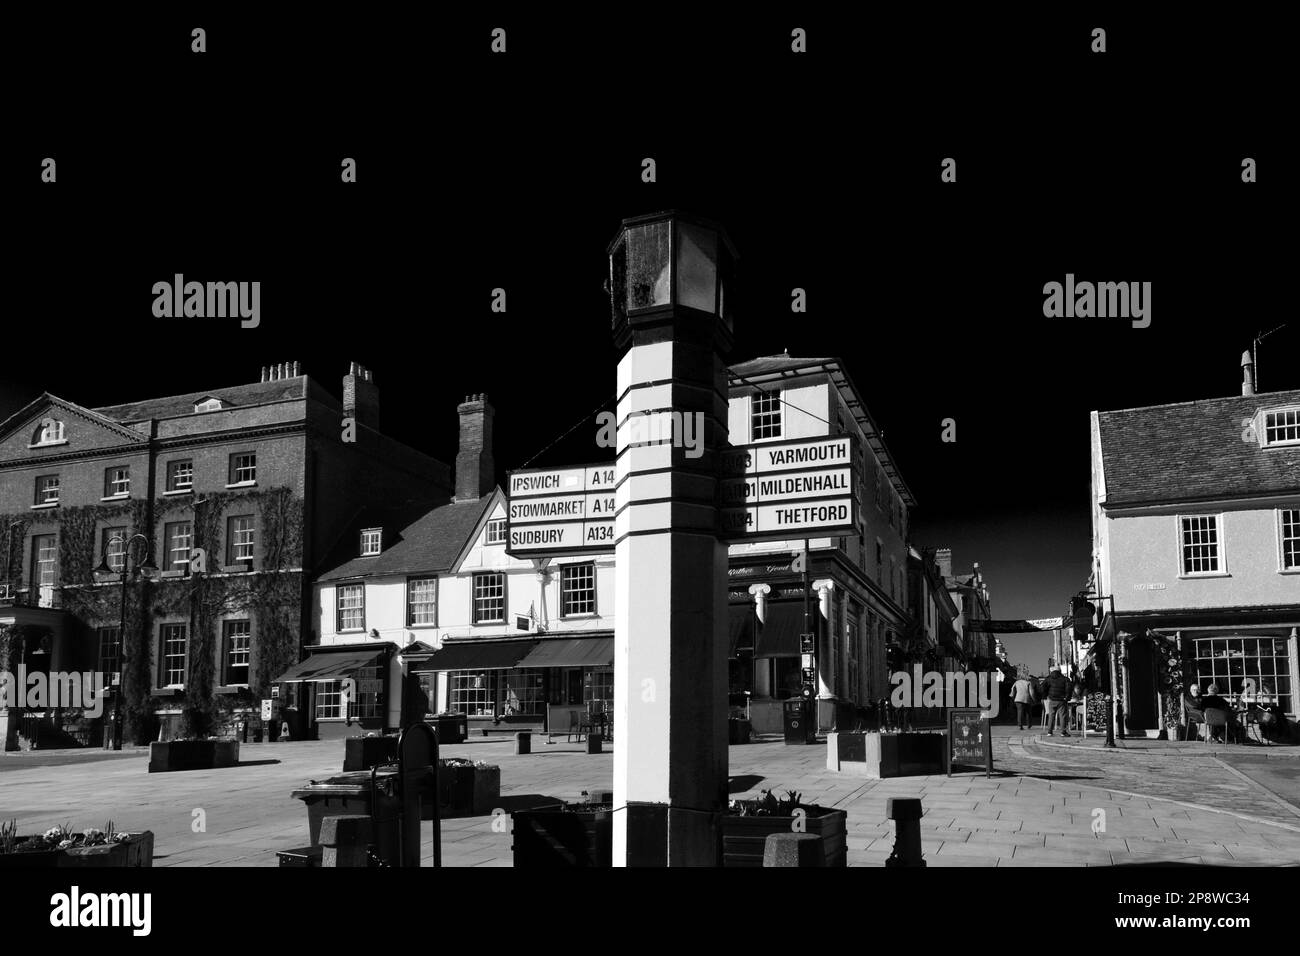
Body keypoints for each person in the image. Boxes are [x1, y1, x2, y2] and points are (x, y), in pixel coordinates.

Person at [1039, 665, 1073, 737]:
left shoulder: (1048, 678)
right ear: (1060, 671)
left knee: (1051, 715)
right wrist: (1067, 698)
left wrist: (1045, 695)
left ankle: (1049, 732)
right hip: (1061, 700)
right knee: (1062, 716)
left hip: (1052, 699)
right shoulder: (1065, 679)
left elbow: (1042, 687)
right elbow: (1069, 689)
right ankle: (1063, 732)